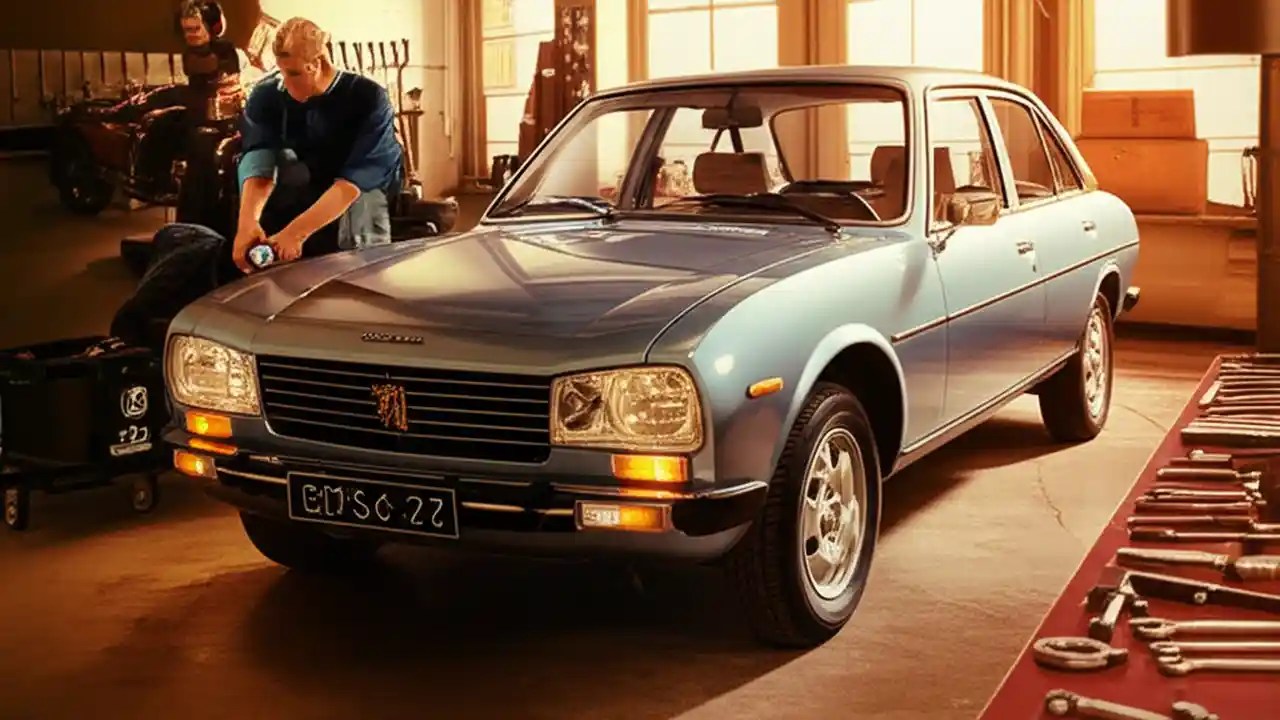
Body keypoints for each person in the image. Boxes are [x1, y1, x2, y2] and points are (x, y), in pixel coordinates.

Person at [232, 16, 404, 272]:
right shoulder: (267, 94)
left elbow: (353, 182)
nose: (286, 84)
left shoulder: (368, 98)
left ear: (317, 63)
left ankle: (365, 277)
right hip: (309, 176)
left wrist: (296, 233)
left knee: (362, 216)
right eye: (281, 72)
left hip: (360, 187)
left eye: (294, 74)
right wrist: (247, 223)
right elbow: (259, 157)